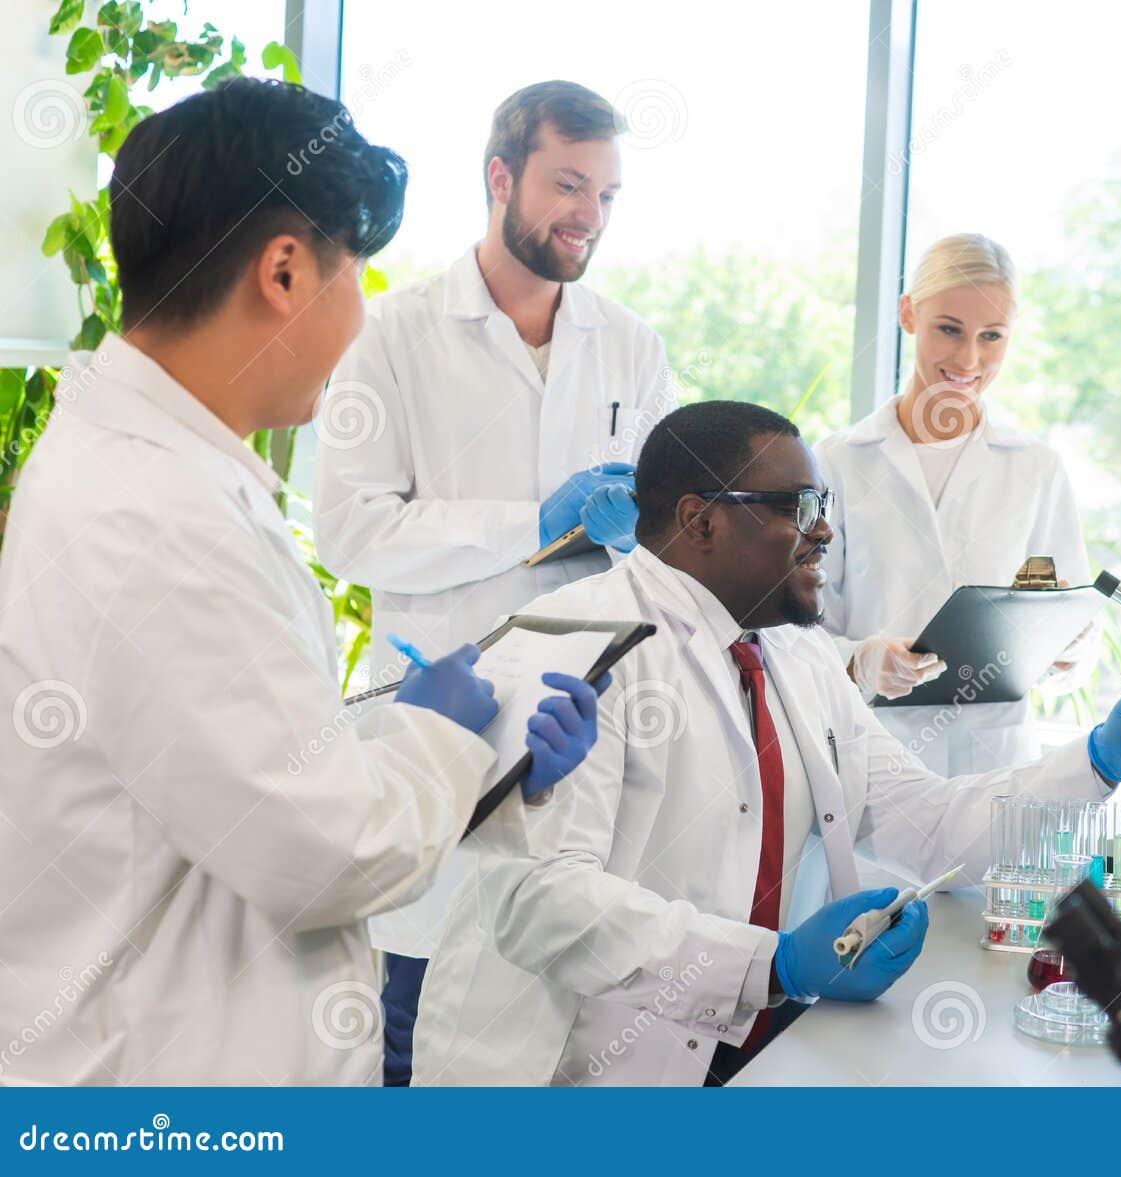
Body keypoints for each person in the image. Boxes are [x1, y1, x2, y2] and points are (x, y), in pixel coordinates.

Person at [0, 79, 603, 1086]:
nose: (360, 314)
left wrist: (482, 759)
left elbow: (237, 756)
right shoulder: (152, 515)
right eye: (353, 271)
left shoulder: (162, 468)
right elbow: (328, 851)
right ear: (283, 270)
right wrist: (444, 732)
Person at [411, 401, 1121, 1086]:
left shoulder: (792, 655)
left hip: (738, 1058)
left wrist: (1096, 762)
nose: (824, 529)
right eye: (795, 504)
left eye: (822, 501)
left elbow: (931, 824)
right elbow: (543, 904)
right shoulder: (577, 642)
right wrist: (776, 965)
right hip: (566, 1083)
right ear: (701, 520)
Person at [310, 80, 678, 1080]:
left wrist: (639, 532)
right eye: (567, 185)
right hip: (442, 733)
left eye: (606, 195)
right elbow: (348, 529)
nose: (587, 216)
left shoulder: (631, 347)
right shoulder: (391, 336)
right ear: (499, 176)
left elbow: (658, 550)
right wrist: (532, 524)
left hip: (577, 742)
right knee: (417, 1032)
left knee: (552, 1042)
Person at [817, 233, 1096, 776]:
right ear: (908, 314)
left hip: (997, 764)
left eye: (992, 336)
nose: (969, 359)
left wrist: (1069, 650)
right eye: (949, 330)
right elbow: (796, 636)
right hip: (873, 756)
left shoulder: (1035, 467)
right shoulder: (838, 462)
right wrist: (862, 662)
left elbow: (1069, 631)